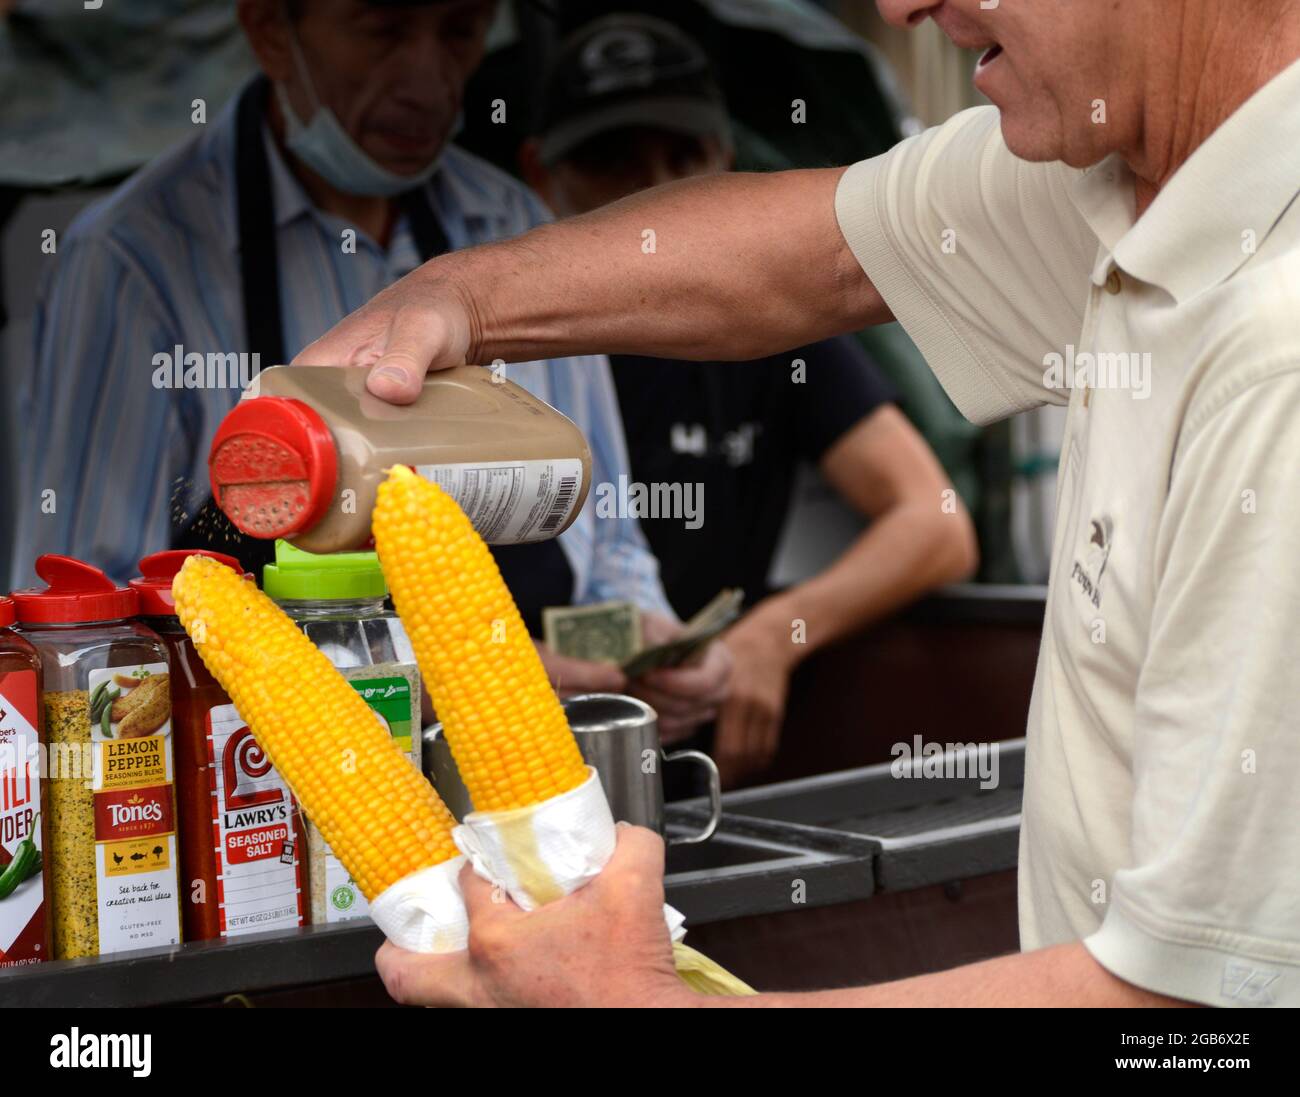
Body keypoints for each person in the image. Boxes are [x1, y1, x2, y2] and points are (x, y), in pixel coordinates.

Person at [298, 0, 1300, 1007]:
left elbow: (1195, 1009)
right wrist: (457, 300)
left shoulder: (1275, 354)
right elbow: (822, 249)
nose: (900, 6)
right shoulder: (1139, 166)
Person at [12, 0, 728, 734]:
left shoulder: (513, 227)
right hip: (258, 800)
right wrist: (448, 666)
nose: (427, 80)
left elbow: (608, 543)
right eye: (383, 29)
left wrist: (658, 640)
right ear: (270, 32)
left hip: (533, 768)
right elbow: (88, 633)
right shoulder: (134, 261)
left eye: (458, 32)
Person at [518, 14, 978, 787]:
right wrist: (503, 669)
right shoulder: (504, 353)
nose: (651, 192)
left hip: (693, 763)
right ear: (538, 175)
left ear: (725, 162)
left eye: (682, 156)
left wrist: (773, 635)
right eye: (611, 160)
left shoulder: (769, 334)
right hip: (509, 764)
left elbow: (937, 525)